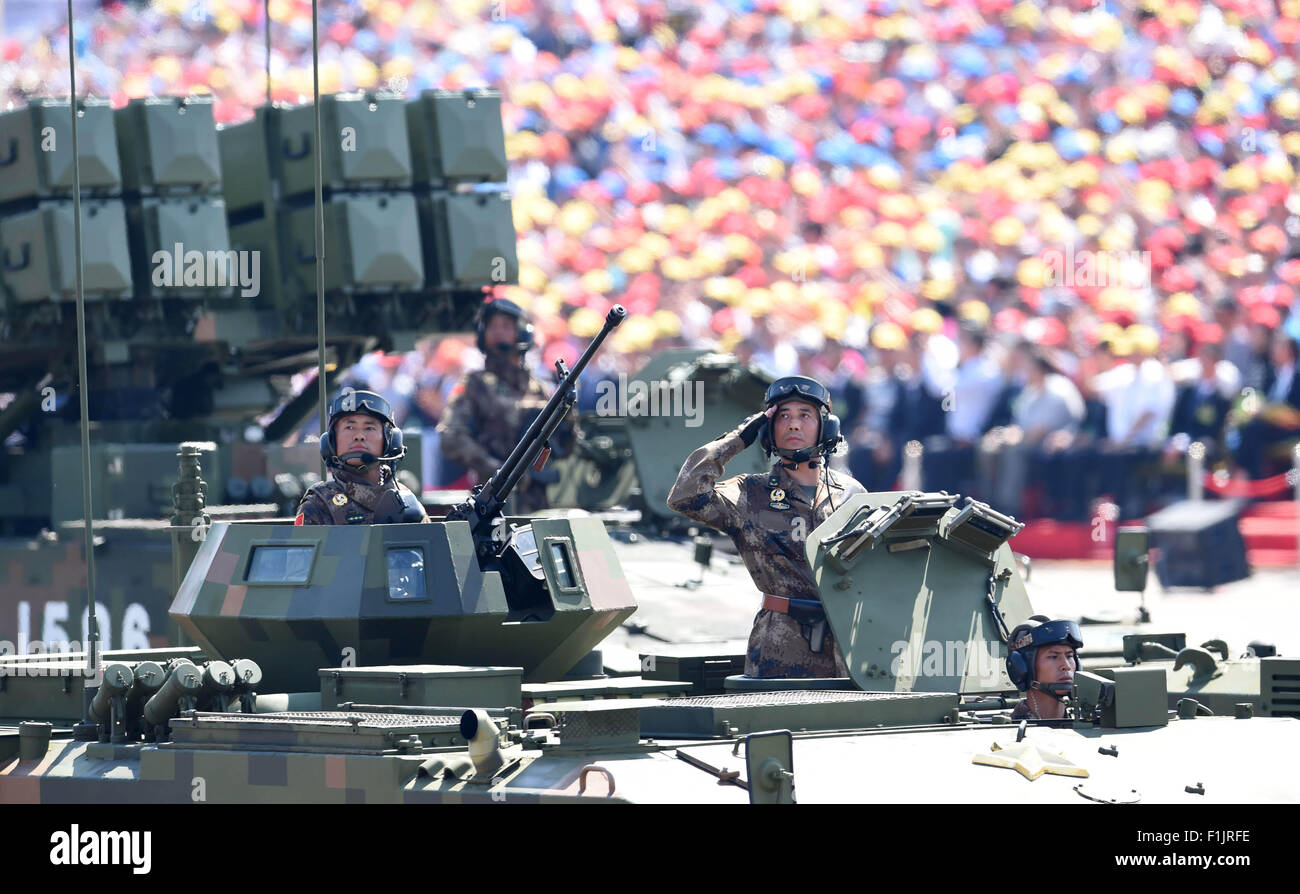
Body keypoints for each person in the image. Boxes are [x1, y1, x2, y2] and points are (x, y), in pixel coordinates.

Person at [668, 375, 868, 678]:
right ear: (768, 429)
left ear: (826, 427)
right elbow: (685, 495)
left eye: (805, 415)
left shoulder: (853, 494)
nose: (794, 424)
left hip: (847, 644)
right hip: (780, 649)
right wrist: (738, 438)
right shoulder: (749, 494)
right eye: (783, 416)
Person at [437, 298, 570, 514]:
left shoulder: (541, 389)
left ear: (523, 332)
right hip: (496, 501)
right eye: (492, 326)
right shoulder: (474, 385)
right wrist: (496, 469)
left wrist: (569, 415)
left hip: (542, 502)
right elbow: (451, 437)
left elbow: (566, 445)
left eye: (506, 326)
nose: (498, 332)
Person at [295, 389, 429, 525]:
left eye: (369, 428)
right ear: (331, 441)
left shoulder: (405, 499)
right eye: (350, 427)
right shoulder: (318, 505)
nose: (359, 436)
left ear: (390, 441)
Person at [1006, 617, 1083, 720]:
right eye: (1053, 657)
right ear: (1024, 667)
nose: (1066, 666)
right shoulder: (1009, 731)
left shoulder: (1086, 721)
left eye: (1069, 656)